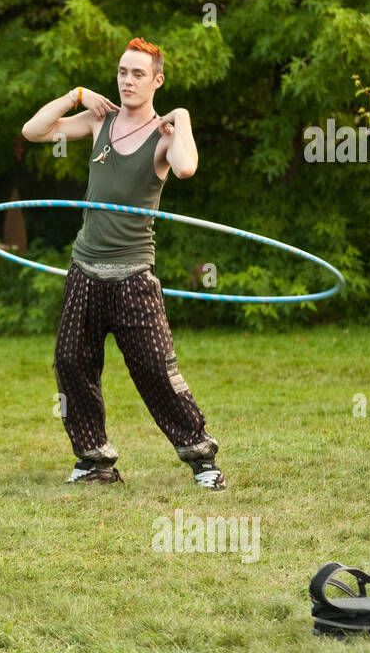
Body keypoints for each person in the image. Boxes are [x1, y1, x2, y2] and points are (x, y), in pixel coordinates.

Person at [21, 37, 224, 490]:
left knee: (155, 370)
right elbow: (33, 132)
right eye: (121, 72)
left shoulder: (164, 136)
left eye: (137, 73)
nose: (127, 80)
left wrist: (183, 117)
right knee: (71, 364)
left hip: (133, 275)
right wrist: (75, 96)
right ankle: (95, 462)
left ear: (157, 80)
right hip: (84, 269)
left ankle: (202, 459)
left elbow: (187, 167)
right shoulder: (100, 122)